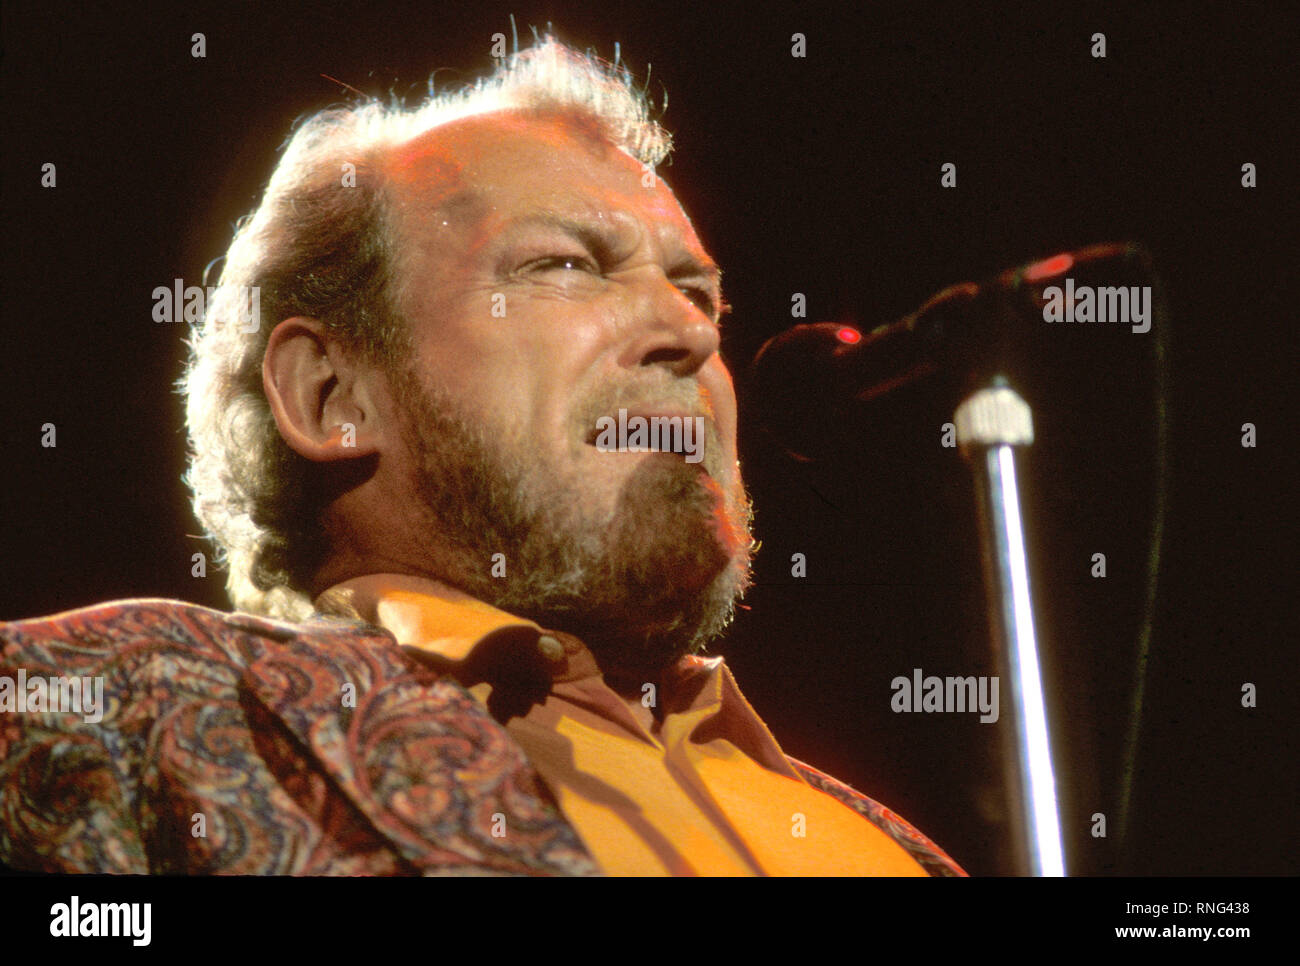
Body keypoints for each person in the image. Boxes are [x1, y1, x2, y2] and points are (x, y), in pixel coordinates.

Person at [0, 37, 964, 876]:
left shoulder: (891, 845)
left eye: (700, 295)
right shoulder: (107, 711)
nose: (689, 336)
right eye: (565, 265)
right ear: (332, 395)